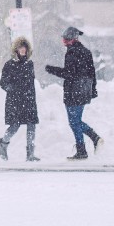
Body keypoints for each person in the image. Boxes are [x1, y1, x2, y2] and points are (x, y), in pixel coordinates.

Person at [45, 27, 103, 160]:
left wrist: (52, 70)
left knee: (74, 122)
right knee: (76, 121)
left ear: (73, 39)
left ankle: (88, 144)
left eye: (66, 39)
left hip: (73, 91)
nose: (64, 41)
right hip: (83, 91)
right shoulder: (86, 52)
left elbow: (68, 74)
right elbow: (92, 73)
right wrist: (93, 89)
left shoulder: (72, 53)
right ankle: (86, 146)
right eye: (64, 38)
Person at [0, 36, 40, 162]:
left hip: (29, 100)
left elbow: (31, 83)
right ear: (16, 49)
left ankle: (30, 154)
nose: (23, 50)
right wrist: (13, 89)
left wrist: (31, 97)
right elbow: (3, 83)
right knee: (14, 126)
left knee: (31, 126)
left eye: (25, 48)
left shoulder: (30, 64)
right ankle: (3, 143)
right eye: (21, 47)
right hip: (14, 101)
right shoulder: (9, 65)